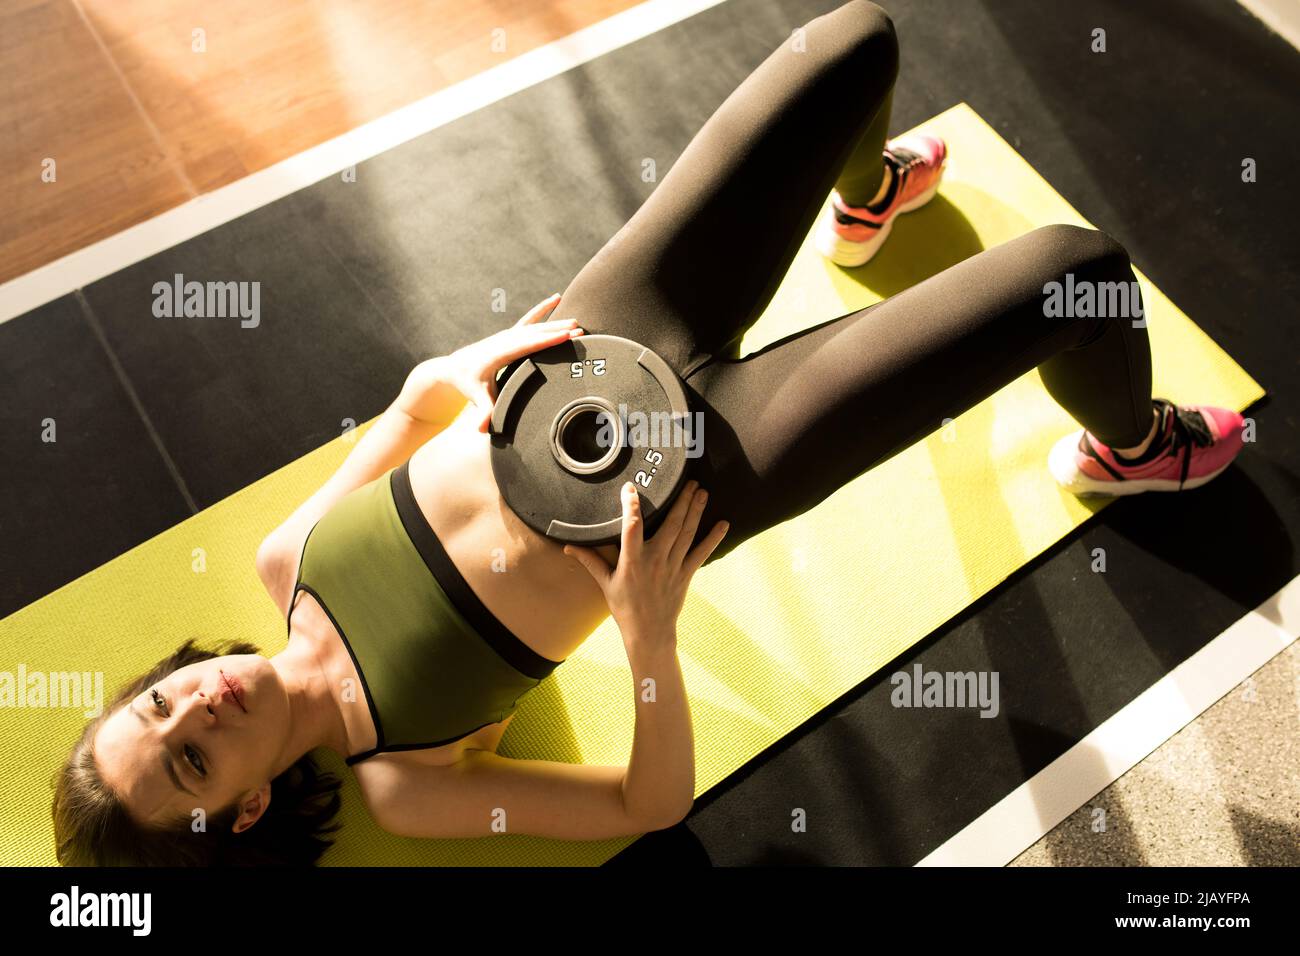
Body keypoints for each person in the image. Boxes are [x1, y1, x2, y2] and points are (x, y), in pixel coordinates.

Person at [52, 0, 1245, 864]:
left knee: (850, 42)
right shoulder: (409, 778)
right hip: (705, 471)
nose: (195, 712)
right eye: (192, 766)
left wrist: (457, 369)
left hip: (587, 341)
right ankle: (1130, 446)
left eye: (158, 709)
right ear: (248, 809)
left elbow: (415, 406)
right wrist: (648, 636)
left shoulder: (287, 556)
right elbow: (646, 803)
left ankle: (869, 190)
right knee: (1072, 275)